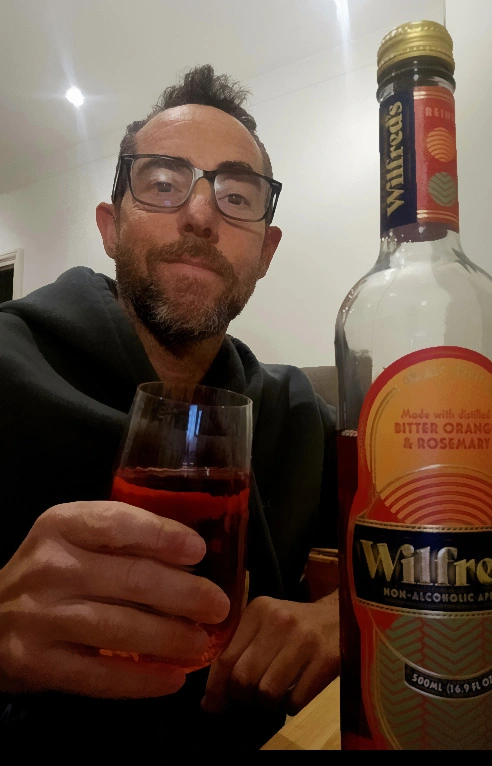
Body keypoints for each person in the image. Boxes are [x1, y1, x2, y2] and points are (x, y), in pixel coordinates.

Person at [0, 65, 339, 750]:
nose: (201, 214)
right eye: (162, 184)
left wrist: (347, 617)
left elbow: (435, 539)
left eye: (237, 196)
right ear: (110, 227)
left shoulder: (296, 414)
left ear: (266, 251)